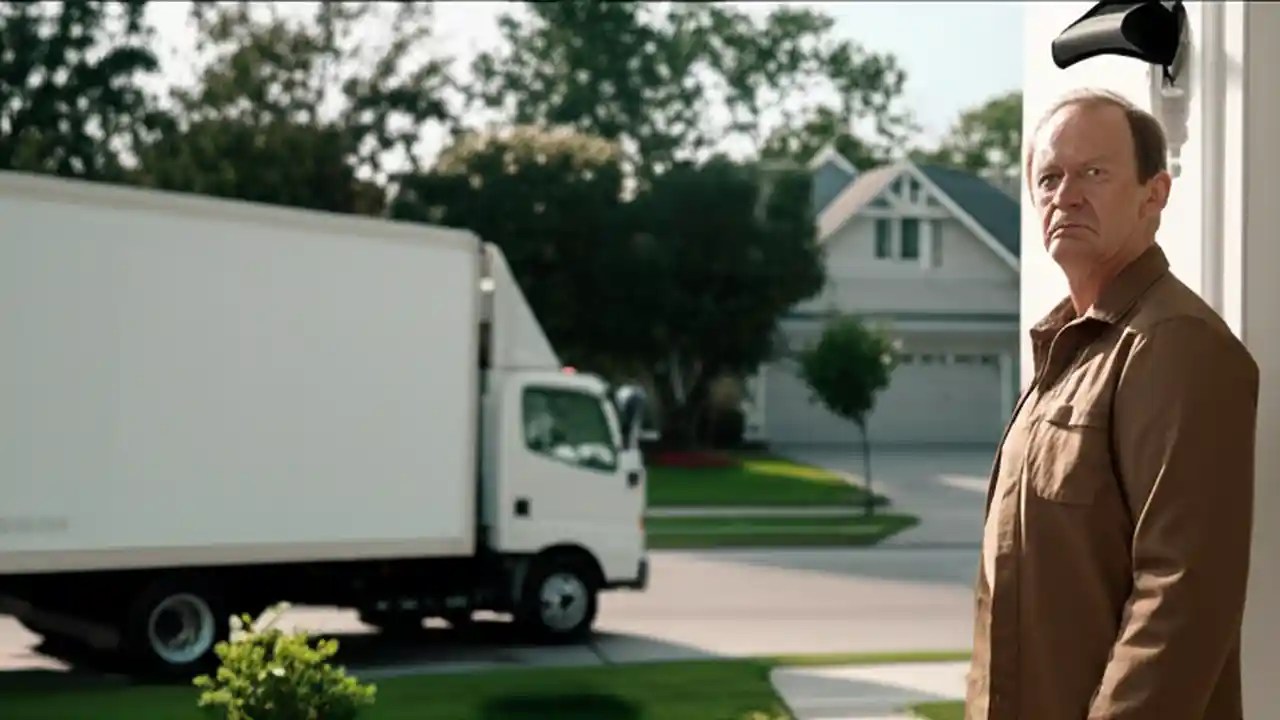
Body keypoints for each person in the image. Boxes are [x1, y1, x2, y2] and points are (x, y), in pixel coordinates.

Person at [966, 88, 1260, 720]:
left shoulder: (1174, 343)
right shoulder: (1066, 353)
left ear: (1154, 195)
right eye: (1049, 177)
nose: (1065, 194)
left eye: (1093, 172)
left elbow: (1182, 595)